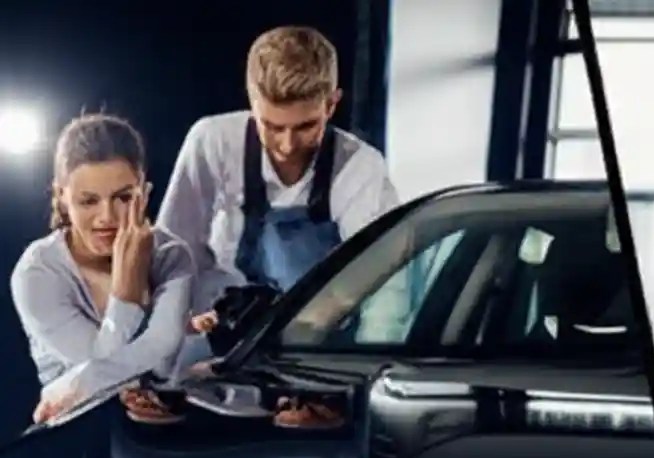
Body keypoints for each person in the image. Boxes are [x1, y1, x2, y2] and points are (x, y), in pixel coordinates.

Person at [157, 25, 404, 429]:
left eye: (305, 126)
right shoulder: (211, 141)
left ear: (332, 104)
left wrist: (360, 390)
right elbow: (173, 252)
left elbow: (382, 288)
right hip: (217, 334)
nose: (287, 144)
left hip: (318, 343)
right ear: (251, 101)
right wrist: (166, 362)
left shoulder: (360, 167)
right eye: (271, 126)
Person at [11, 113, 198, 426]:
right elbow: (102, 373)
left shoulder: (171, 254)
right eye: (88, 201)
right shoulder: (37, 272)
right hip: (75, 434)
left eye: (123, 198)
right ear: (62, 197)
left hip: (159, 429)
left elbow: (164, 349)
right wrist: (127, 288)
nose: (106, 217)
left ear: (144, 191)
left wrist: (73, 384)